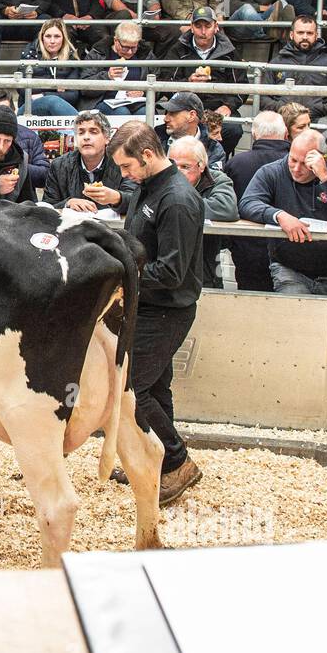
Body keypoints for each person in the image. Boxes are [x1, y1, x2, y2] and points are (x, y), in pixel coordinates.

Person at [109, 119, 204, 505]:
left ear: (147, 155)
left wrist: (118, 274)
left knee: (132, 388)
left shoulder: (178, 200)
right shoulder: (147, 188)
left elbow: (171, 271)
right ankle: (157, 461)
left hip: (166, 310)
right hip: (147, 306)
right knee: (156, 387)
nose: (124, 174)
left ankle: (178, 462)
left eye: (127, 166)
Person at [238, 128, 327, 295]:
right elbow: (248, 202)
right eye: (293, 160)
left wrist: (326, 179)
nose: (296, 169)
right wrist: (278, 215)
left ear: (321, 159)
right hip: (289, 268)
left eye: (305, 164)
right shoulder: (272, 171)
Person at [160, 7, 246, 153]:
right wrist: (188, 84)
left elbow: (242, 86)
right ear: (191, 27)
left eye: (208, 26)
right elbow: (165, 82)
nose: (203, 31)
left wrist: (228, 106)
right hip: (185, 109)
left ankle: (215, 163)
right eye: (198, 26)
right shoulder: (178, 49)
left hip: (217, 108)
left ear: (216, 27)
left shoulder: (229, 52)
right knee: (168, 128)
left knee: (233, 130)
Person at [223, 111, 291, 292]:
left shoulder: (236, 163)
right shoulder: (296, 164)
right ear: (285, 134)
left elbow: (229, 204)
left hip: (247, 249)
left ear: (253, 135)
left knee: (249, 303)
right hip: (291, 248)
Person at [169, 134, 238, 288]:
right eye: (174, 166)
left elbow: (227, 208)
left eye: (185, 167)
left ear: (201, 166)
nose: (178, 172)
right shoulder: (162, 179)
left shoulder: (218, 179)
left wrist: (176, 207)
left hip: (205, 263)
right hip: (168, 261)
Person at [262, 15, 327, 123]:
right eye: (300, 33)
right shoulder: (276, 63)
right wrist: (283, 109)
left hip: (318, 119)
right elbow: (262, 97)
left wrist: (319, 109)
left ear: (316, 35)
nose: (305, 37)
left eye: (309, 33)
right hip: (282, 121)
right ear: (291, 35)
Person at [43, 111, 127, 211]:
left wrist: (117, 198)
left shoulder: (120, 163)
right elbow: (47, 206)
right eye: (81, 132)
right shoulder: (59, 165)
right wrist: (67, 203)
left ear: (107, 138)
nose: (86, 137)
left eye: (93, 132)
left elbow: (135, 200)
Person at [78, 20, 153, 116]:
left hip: (136, 102)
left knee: (146, 112)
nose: (130, 52)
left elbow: (158, 81)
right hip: (104, 102)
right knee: (122, 112)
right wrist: (107, 76)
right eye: (125, 47)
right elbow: (84, 89)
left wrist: (143, 92)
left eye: (134, 47)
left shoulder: (145, 54)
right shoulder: (98, 53)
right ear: (116, 41)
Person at [18, 18, 80, 116]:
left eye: (57, 36)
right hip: (29, 107)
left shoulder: (71, 58)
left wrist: (43, 94)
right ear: (42, 37)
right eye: (48, 36)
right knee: (52, 100)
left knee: (52, 100)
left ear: (64, 38)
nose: (52, 41)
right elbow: (22, 89)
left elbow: (73, 95)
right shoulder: (30, 54)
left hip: (61, 110)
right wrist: (55, 86)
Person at [155, 92, 226, 166]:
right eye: (167, 113)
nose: (166, 119)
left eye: (172, 113)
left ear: (191, 115)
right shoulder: (154, 140)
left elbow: (213, 177)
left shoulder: (213, 148)